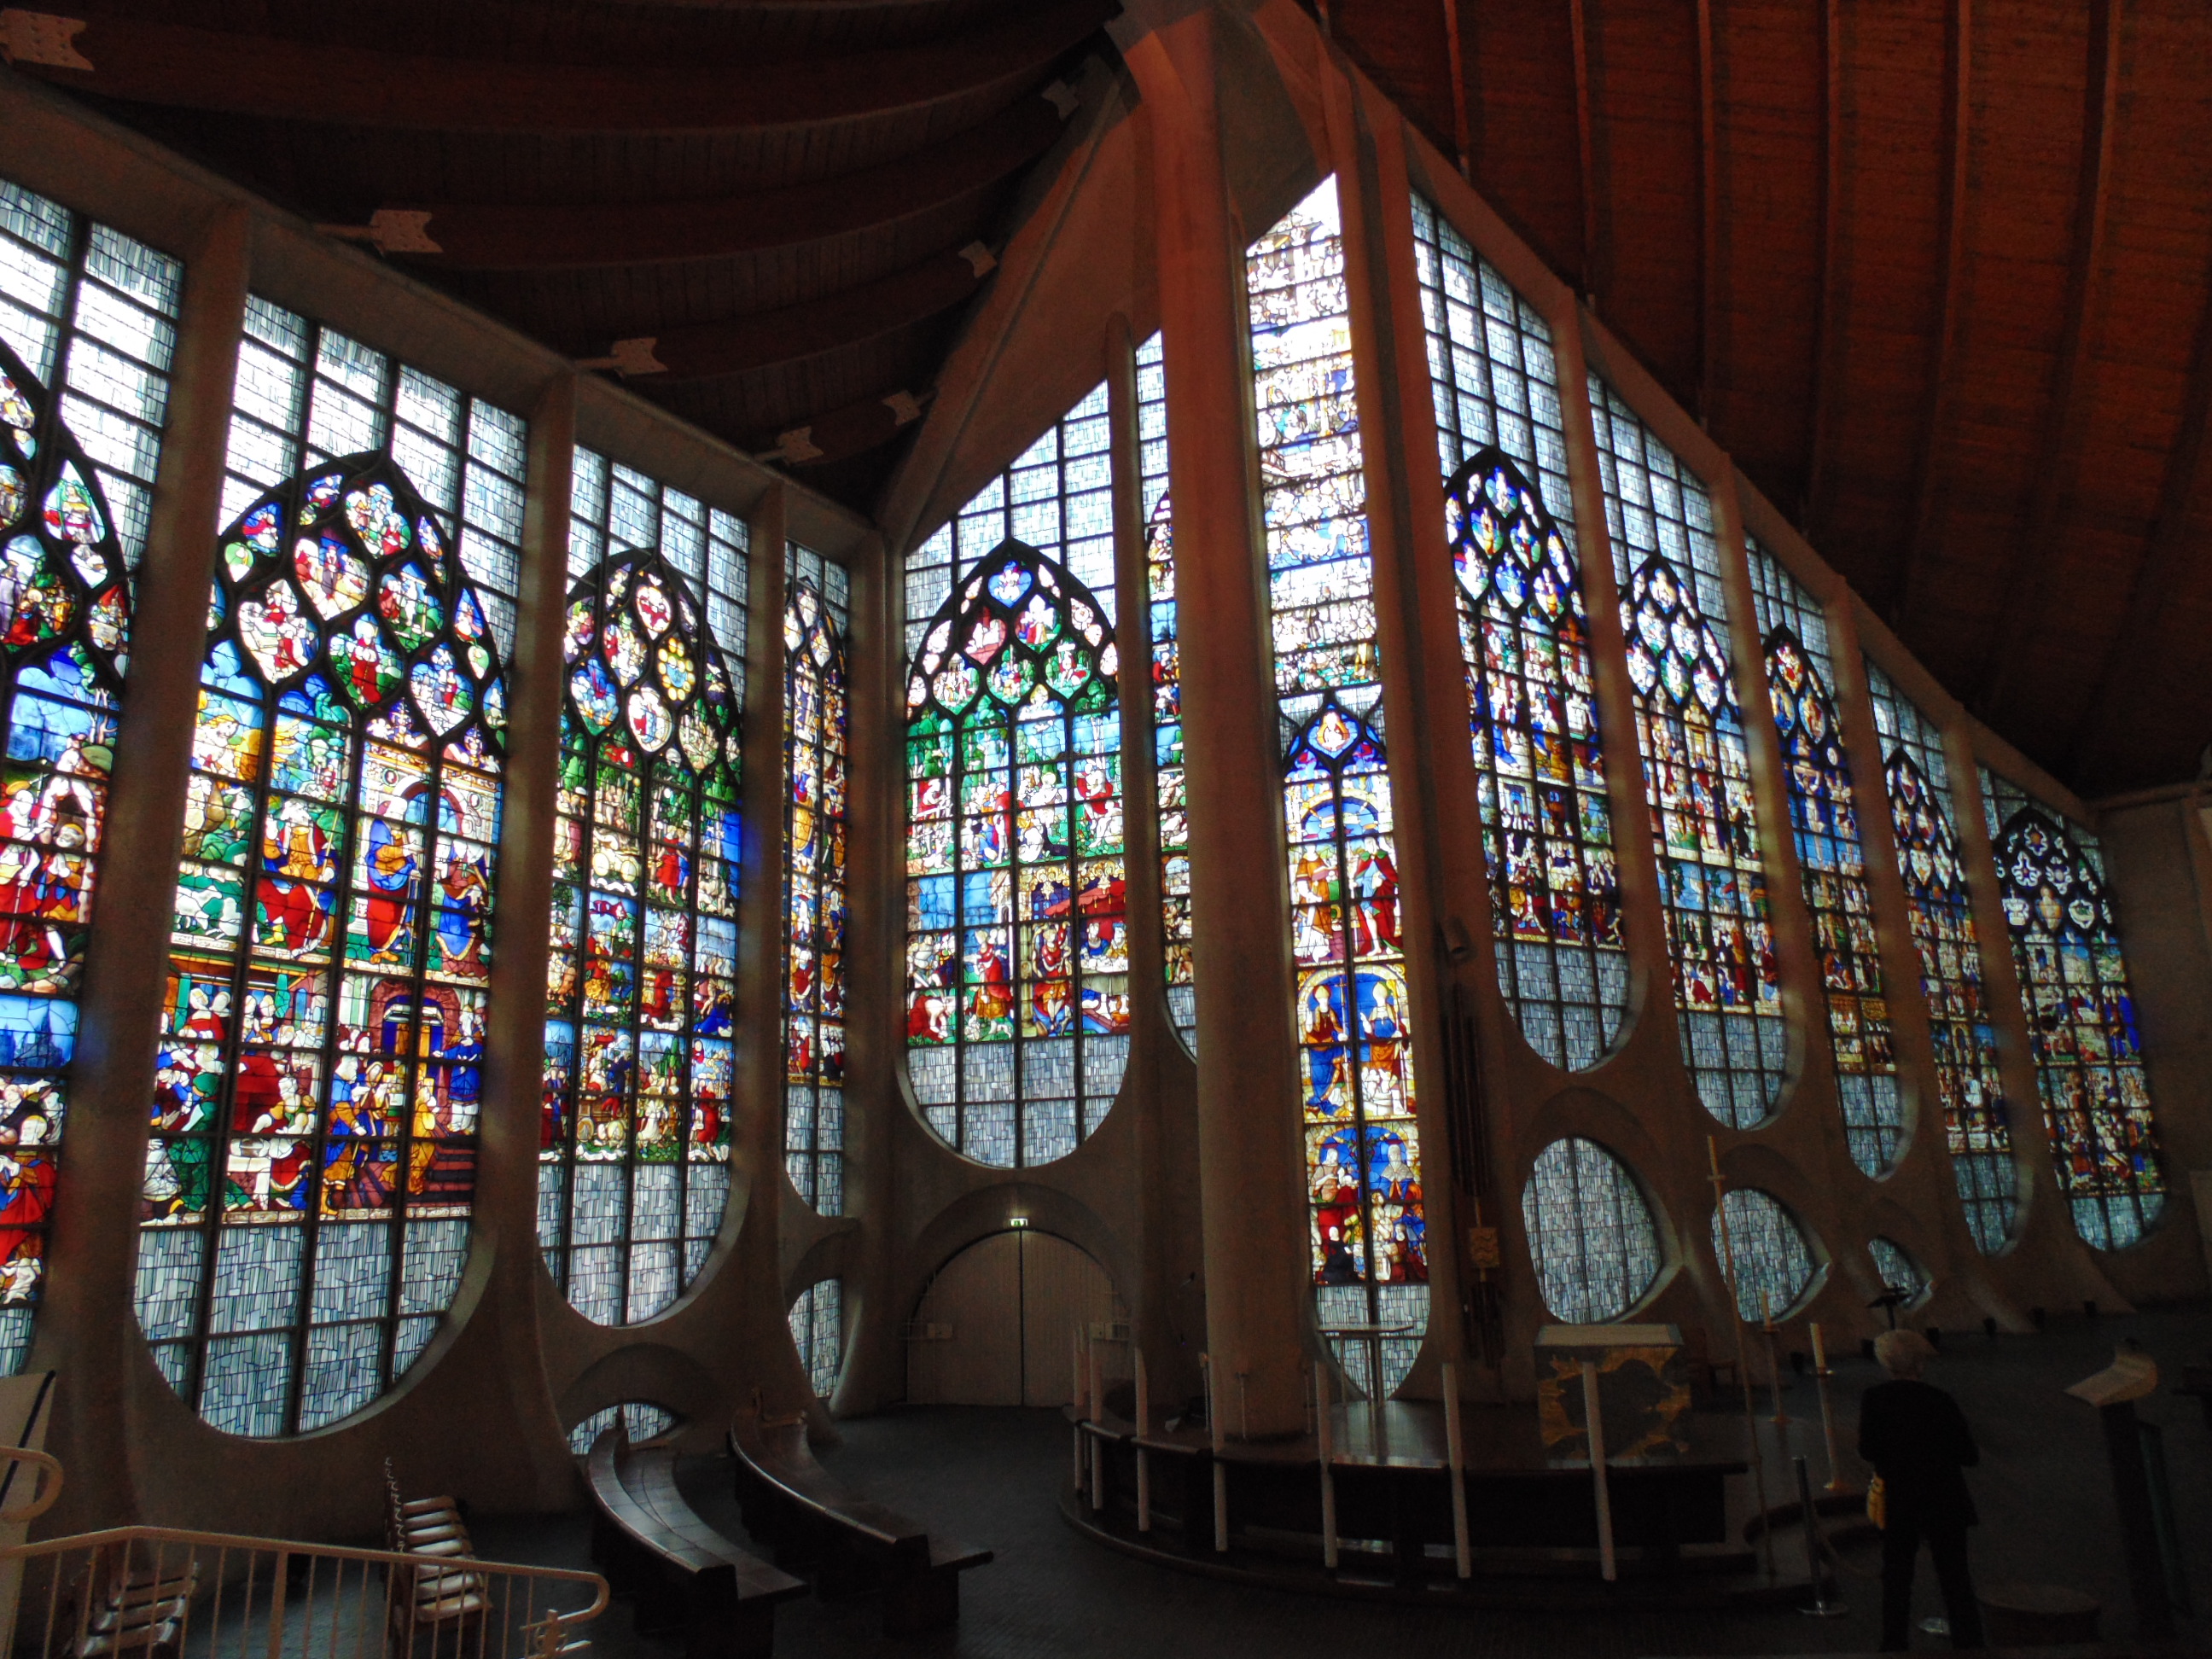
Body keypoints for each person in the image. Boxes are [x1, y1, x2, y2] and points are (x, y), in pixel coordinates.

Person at [1859, 1329, 1986, 1650]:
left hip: (1899, 1500)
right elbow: (1969, 1455)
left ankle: (1893, 1644)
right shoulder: (1940, 1400)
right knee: (1955, 1578)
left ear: (1886, 1363)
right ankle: (1970, 1644)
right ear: (1920, 1362)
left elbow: (1867, 1449)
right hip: (1944, 1498)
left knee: (1897, 1578)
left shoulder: (1874, 1399)